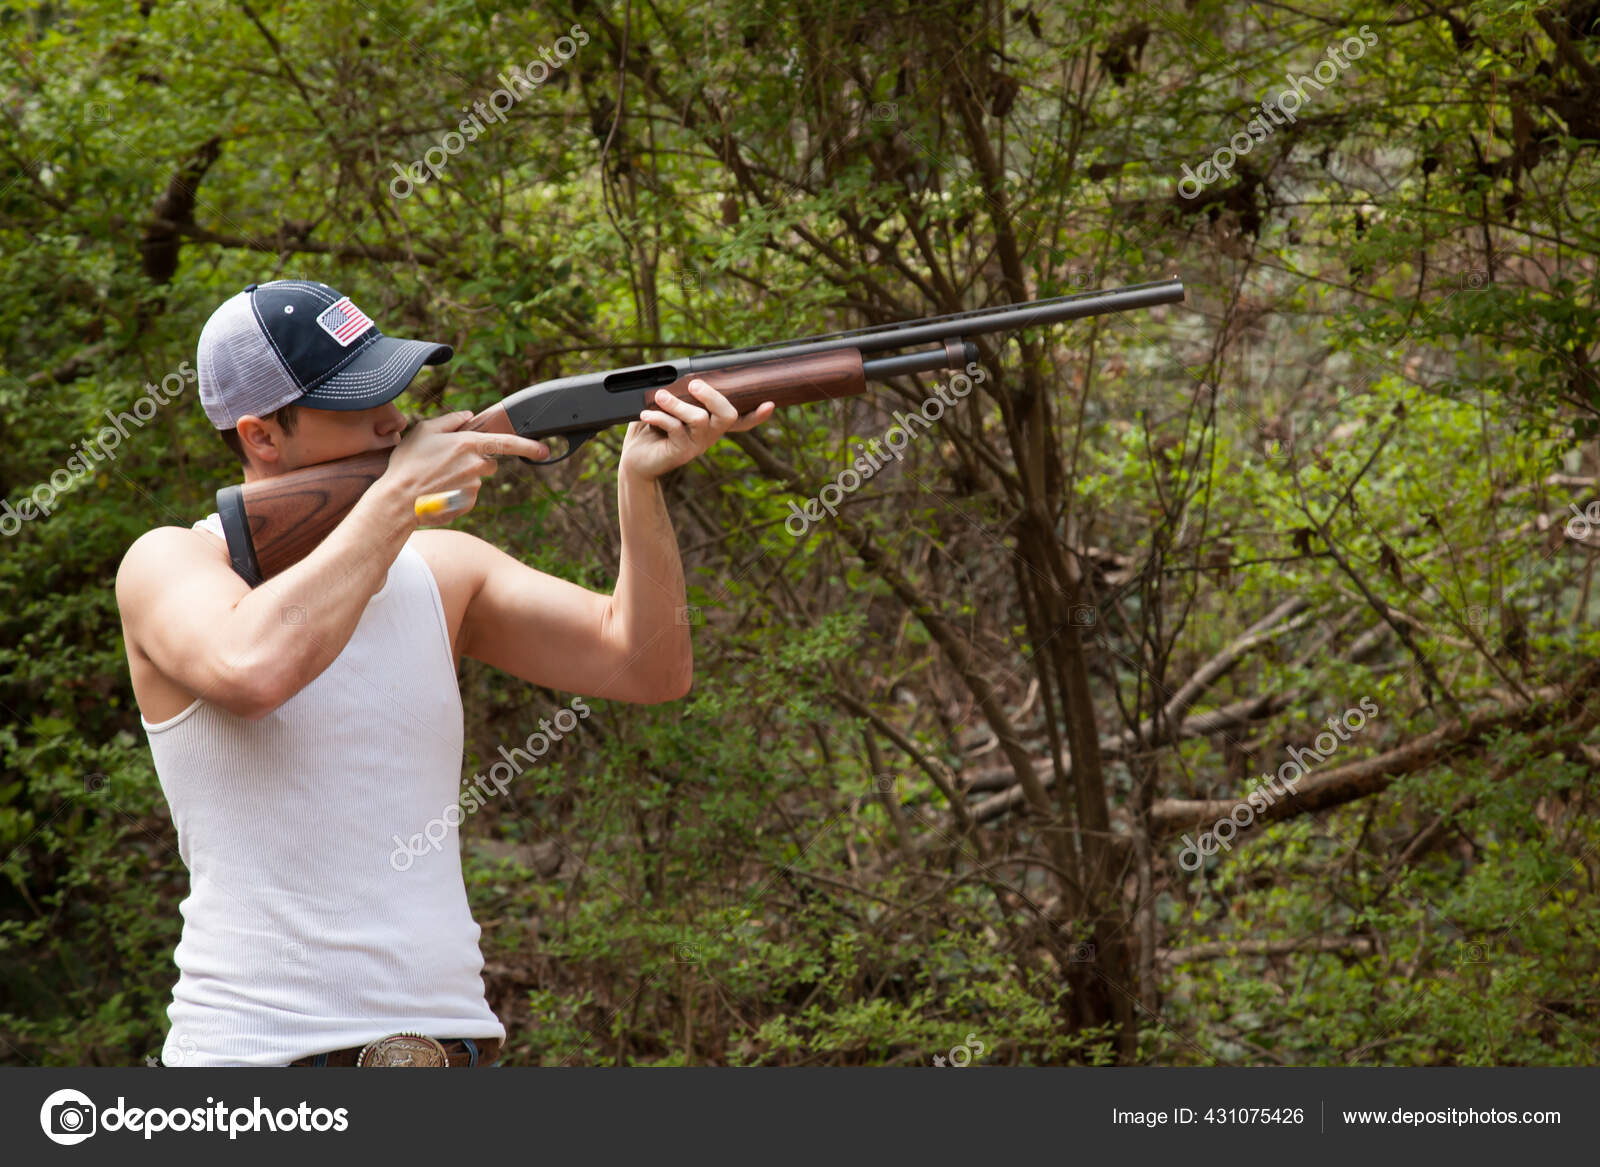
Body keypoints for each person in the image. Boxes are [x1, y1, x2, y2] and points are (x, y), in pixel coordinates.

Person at [114, 279, 773, 1067]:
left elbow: (648, 665)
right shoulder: (171, 562)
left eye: (393, 385)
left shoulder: (440, 568)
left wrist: (640, 485)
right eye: (357, 402)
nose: (396, 418)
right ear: (261, 437)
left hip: (447, 1051)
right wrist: (397, 498)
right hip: (257, 1060)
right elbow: (254, 668)